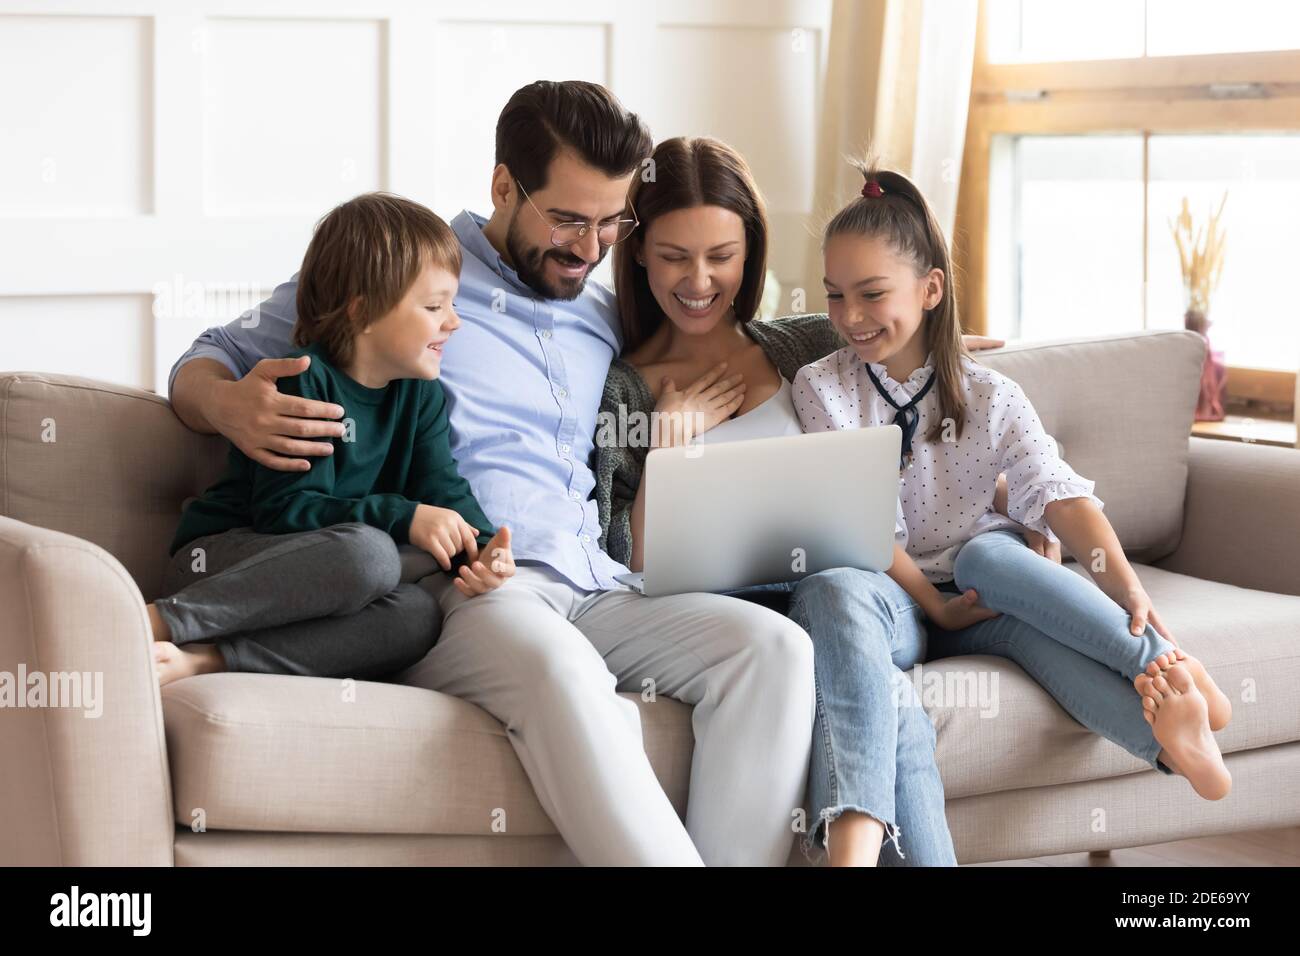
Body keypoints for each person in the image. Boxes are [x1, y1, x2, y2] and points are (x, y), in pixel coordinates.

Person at [165, 81, 815, 867]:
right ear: (505, 186)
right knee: (562, 670)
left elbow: (740, 329)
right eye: (569, 219)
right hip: (471, 590)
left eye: (612, 222)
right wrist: (229, 406)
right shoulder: (409, 276)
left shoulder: (600, 308)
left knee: (773, 650)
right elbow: (206, 355)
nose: (589, 247)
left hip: (594, 580)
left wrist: (917, 342)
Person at [597, 136, 1024, 866]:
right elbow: (624, 564)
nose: (699, 281)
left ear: (750, 251)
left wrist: (1004, 479)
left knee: (898, 712)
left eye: (721, 256)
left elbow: (920, 372)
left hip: (841, 599)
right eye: (673, 256)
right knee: (888, 704)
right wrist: (667, 455)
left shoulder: (803, 346)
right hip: (735, 619)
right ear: (637, 252)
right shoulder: (627, 390)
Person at [793, 161, 1235, 846]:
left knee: (990, 559)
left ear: (931, 287)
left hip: (983, 590)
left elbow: (1056, 495)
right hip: (898, 599)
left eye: (872, 294)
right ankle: (1174, 680)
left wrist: (1128, 589)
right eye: (834, 296)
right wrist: (935, 605)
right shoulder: (823, 386)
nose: (849, 317)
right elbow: (862, 522)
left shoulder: (991, 395)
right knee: (848, 585)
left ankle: (1172, 713)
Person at [151, 193, 514, 686]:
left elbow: (442, 488)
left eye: (452, 304)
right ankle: (156, 621)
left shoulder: (421, 395)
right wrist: (404, 517)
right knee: (369, 555)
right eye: (434, 306)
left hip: (325, 581)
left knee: (416, 613)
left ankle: (208, 659)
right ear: (362, 313)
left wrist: (482, 546)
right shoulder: (303, 384)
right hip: (224, 565)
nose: (454, 322)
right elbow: (287, 513)